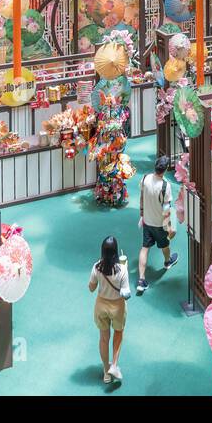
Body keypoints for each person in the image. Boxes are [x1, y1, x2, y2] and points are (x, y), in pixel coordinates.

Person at [88, 235, 130, 385]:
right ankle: (114, 364)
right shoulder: (122, 269)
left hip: (101, 306)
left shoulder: (96, 267)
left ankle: (106, 371)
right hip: (117, 306)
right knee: (118, 333)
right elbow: (125, 293)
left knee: (103, 338)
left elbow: (91, 288)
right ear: (116, 251)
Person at [136, 155, 178, 295]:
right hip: (159, 224)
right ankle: (167, 261)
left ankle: (141, 280)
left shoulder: (145, 178)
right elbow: (167, 210)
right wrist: (170, 227)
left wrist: (142, 214)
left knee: (145, 248)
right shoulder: (166, 186)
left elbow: (141, 197)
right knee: (165, 245)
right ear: (165, 170)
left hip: (147, 221)